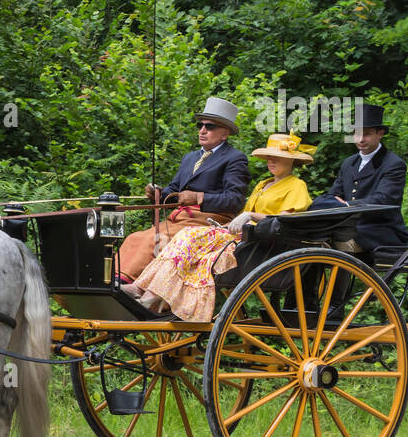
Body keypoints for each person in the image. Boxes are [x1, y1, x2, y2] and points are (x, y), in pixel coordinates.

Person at [123, 133, 316, 321]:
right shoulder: (263, 184)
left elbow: (284, 221)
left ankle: (151, 296)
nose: (271, 161)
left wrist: (250, 216)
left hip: (263, 241)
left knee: (189, 237)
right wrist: (227, 224)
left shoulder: (297, 185)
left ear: (292, 161)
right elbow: (242, 218)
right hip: (243, 234)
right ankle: (144, 288)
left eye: (277, 158)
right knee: (186, 236)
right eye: (268, 157)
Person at [117, 96, 250, 280]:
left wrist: (198, 198)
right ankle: (115, 281)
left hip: (209, 222)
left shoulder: (235, 158)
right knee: (135, 237)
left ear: (225, 134)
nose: (202, 130)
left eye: (209, 127)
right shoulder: (190, 158)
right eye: (200, 126)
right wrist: (158, 193)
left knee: (153, 240)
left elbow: (235, 200)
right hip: (179, 220)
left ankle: (126, 283)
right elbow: (173, 191)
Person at [311, 103, 408, 255]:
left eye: (367, 134)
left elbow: (383, 200)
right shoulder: (349, 163)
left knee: (338, 245)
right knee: (311, 240)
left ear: (380, 133)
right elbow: (334, 194)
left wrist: (348, 205)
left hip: (379, 231)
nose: (360, 139)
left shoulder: (393, 164)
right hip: (348, 228)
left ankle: (339, 277)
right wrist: (334, 204)